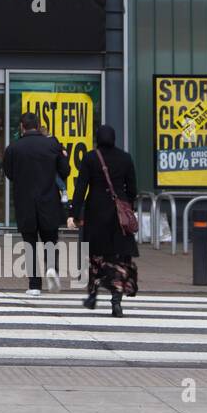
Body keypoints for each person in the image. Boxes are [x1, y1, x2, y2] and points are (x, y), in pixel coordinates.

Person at [68, 124, 139, 316]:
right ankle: (116, 301)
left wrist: (75, 212)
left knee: (95, 256)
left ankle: (92, 295)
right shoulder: (125, 158)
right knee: (119, 256)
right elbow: (132, 188)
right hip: (119, 216)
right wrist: (128, 204)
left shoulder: (91, 158)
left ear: (97, 138)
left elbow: (81, 186)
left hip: (96, 211)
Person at [3, 110, 69, 295]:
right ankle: (52, 269)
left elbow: (9, 174)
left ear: (22, 127)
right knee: (51, 239)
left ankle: (34, 285)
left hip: (25, 202)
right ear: (39, 126)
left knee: (29, 242)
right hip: (48, 200)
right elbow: (65, 170)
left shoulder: (13, 148)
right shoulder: (52, 144)